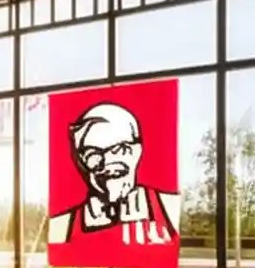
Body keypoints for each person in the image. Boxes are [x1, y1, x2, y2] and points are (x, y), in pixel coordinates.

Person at [47, 102, 180, 251]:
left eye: (119, 149)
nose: (107, 163)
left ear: (137, 152)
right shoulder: (62, 226)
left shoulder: (168, 207)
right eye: (93, 155)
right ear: (81, 162)